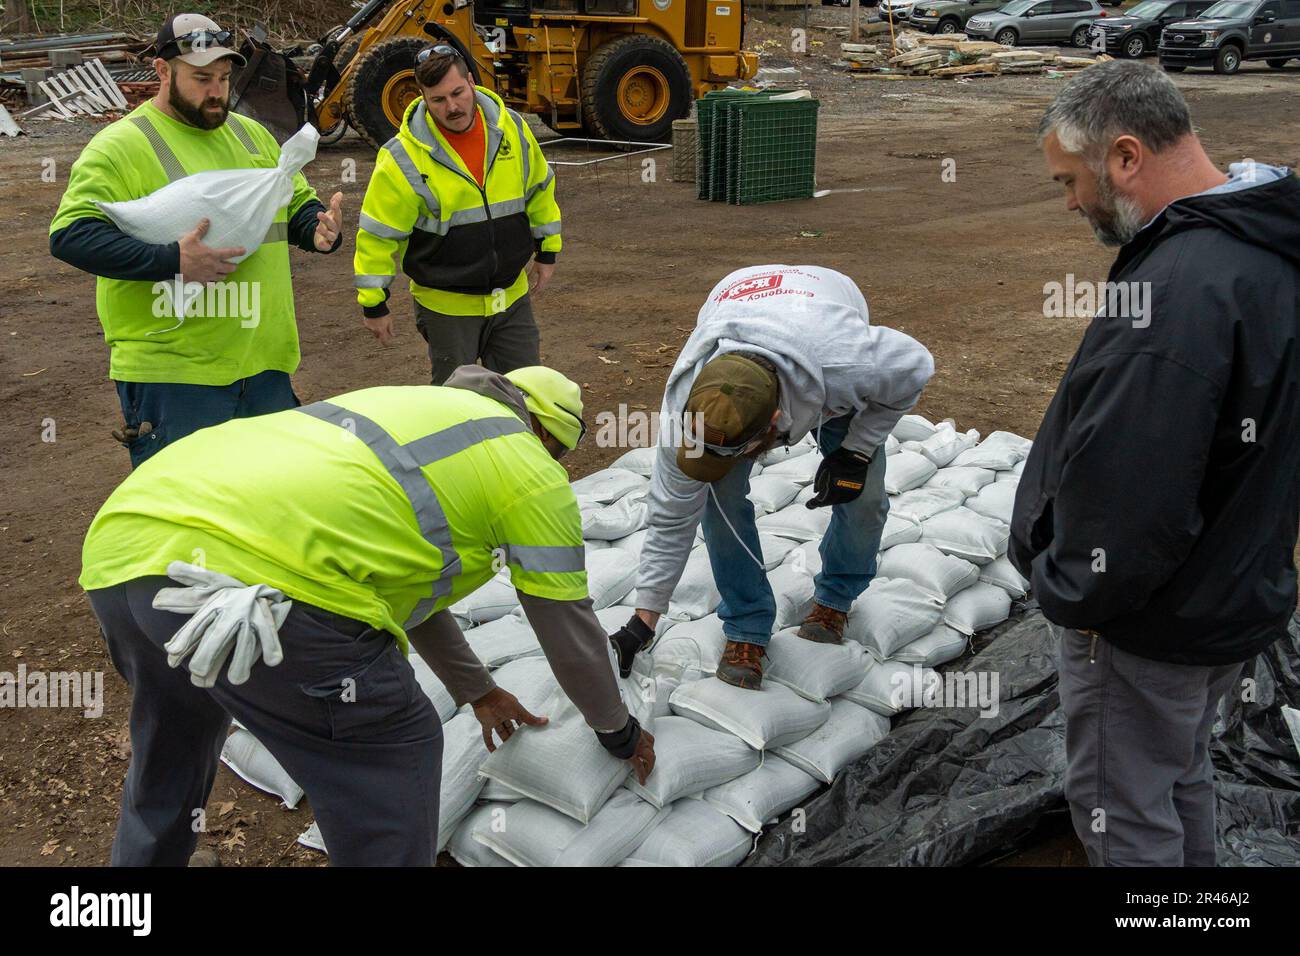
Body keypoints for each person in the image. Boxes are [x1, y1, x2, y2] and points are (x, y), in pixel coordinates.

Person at [81, 364, 655, 866]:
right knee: (394, 751)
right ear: (548, 437)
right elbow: (567, 628)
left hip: (128, 548)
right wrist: (618, 731)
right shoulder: (530, 469)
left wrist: (478, 691)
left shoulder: (413, 409)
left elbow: (401, 586)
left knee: (176, 734)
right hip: (254, 589)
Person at [1010, 61, 1300, 866]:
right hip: (1230, 594)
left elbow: (1132, 490)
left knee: (1126, 813)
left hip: (1150, 626)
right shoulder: (1265, 240)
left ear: (1126, 156)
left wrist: (1076, 593)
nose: (1071, 203)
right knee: (1180, 774)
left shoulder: (1178, 290)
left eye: (1070, 181)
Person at [607, 265, 934, 689]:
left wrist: (857, 449)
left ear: (775, 423)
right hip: (739, 294)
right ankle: (747, 625)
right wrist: (643, 620)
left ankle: (837, 597)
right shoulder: (685, 412)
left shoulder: (851, 363)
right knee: (719, 503)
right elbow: (671, 518)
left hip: (824, 317)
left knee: (863, 496)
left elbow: (916, 367)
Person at [49, 13, 345, 468]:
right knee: (187, 504)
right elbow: (72, 235)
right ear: (163, 71)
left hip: (264, 363)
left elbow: (293, 202)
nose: (216, 91)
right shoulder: (121, 146)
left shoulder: (251, 135)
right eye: (202, 79)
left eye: (224, 78)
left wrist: (317, 228)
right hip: (175, 375)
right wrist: (173, 260)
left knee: (268, 498)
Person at [354, 44, 561, 384]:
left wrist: (547, 249)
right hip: (446, 310)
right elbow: (378, 234)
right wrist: (374, 303)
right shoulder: (402, 158)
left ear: (471, 82)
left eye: (458, 93)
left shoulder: (511, 129)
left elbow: (538, 188)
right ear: (422, 98)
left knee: (526, 395)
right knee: (458, 406)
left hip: (511, 299)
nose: (451, 107)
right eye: (438, 100)